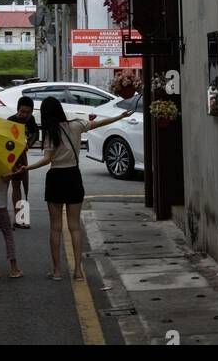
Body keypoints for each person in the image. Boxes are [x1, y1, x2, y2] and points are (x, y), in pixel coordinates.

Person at [15, 95, 133, 281]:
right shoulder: (76, 125)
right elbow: (99, 124)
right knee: (75, 227)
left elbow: (47, 160)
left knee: (55, 228)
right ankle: (78, 271)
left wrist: (27, 167)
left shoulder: (50, 133)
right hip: (73, 176)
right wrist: (120, 117)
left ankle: (56, 271)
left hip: (55, 178)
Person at [7, 95, 39, 228]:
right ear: (17, 109)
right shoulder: (10, 121)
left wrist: (29, 144)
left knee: (23, 186)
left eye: (27, 112)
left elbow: (35, 134)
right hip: (10, 158)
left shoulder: (31, 120)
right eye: (22, 111)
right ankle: (14, 218)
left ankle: (21, 219)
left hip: (22, 157)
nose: (24, 115)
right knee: (13, 186)